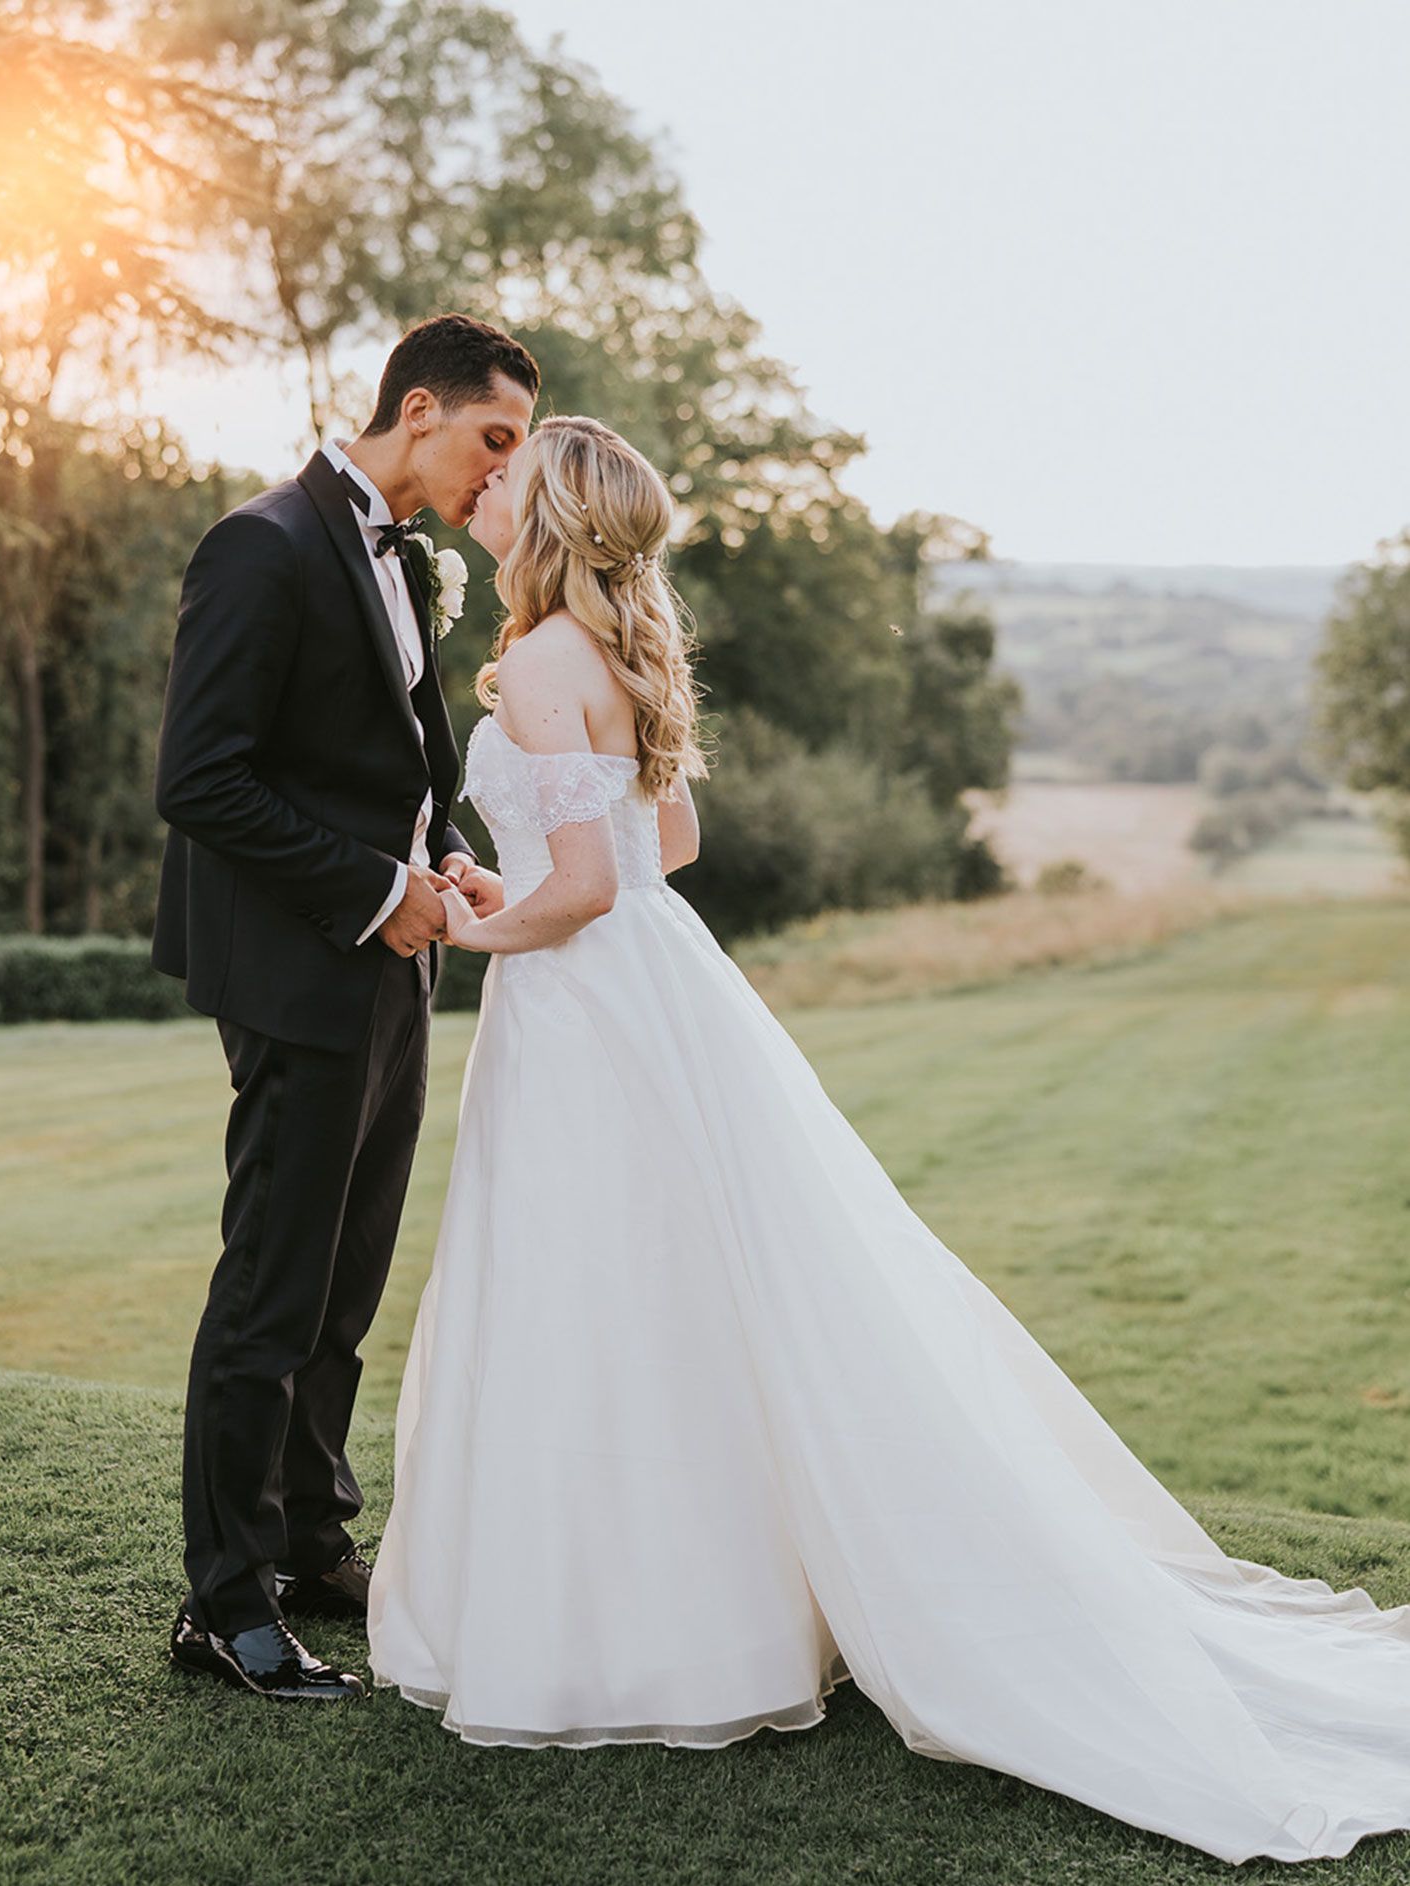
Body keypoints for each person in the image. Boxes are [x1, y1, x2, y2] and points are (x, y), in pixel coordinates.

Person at [367, 414, 1410, 1866]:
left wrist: (483, 916)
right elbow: (661, 852)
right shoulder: (617, 651)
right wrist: (524, 872)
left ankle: (626, 1635)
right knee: (691, 1295)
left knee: (596, 1294)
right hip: (663, 997)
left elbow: (597, 884)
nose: (484, 492)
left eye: (508, 478)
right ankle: (733, 1610)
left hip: (590, 1011)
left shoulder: (543, 657)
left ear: (548, 511)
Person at [152, 313, 538, 1700]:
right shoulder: (261, 543)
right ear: (419, 408)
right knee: (271, 1283)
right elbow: (201, 779)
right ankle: (225, 1604)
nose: (504, 474)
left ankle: (317, 1545)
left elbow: (400, 755)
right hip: (300, 965)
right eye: (494, 441)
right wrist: (379, 888)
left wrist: (438, 851)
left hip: (395, 966)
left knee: (346, 1283)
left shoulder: (405, 554)